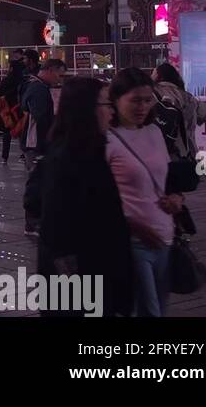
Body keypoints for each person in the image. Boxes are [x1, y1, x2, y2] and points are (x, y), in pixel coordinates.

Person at [36, 77, 133, 317]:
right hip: (83, 284)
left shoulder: (92, 152)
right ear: (86, 110)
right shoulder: (69, 159)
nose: (112, 112)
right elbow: (57, 232)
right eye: (105, 105)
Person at [107, 68, 182, 317]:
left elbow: (165, 177)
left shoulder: (154, 132)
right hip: (133, 240)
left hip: (165, 234)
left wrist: (176, 198)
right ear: (116, 99)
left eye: (148, 100)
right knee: (149, 311)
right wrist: (130, 225)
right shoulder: (107, 139)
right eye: (135, 100)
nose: (143, 107)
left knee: (159, 306)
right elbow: (100, 197)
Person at [20, 58, 67, 235]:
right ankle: (33, 223)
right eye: (59, 75)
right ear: (50, 70)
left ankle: (35, 222)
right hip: (36, 143)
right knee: (38, 182)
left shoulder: (34, 85)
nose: (60, 80)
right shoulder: (38, 88)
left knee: (40, 181)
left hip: (35, 142)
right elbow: (42, 118)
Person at [152, 63, 206, 162]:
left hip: (166, 153)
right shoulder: (188, 97)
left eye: (153, 73)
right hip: (190, 154)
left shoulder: (153, 93)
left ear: (158, 76)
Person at [0, 50, 27, 164]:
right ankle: (24, 154)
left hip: (8, 110)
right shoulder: (22, 80)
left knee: (7, 132)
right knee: (22, 131)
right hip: (19, 109)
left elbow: (0, 95)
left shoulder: (7, 80)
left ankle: (5, 157)